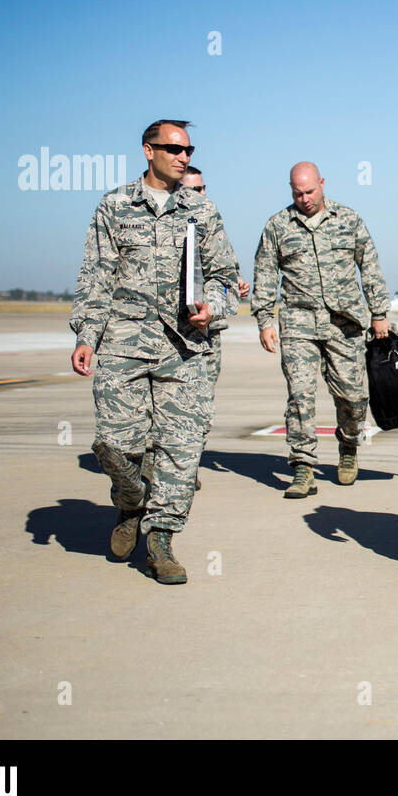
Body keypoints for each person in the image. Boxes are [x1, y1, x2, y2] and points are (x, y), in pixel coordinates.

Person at [70, 120, 239, 584]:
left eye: (188, 150)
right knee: (113, 443)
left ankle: (160, 540)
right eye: (174, 149)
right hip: (123, 344)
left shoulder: (201, 211)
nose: (183, 157)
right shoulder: (114, 206)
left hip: (185, 349)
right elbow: (96, 276)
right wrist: (87, 335)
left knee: (181, 450)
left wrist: (215, 306)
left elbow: (227, 277)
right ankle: (129, 500)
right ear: (148, 151)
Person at [252, 161, 391, 497]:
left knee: (353, 397)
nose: (305, 198)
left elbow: (369, 265)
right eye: (298, 193)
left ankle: (348, 447)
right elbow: (266, 272)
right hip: (298, 322)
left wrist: (379, 312)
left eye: (310, 191)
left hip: (345, 322)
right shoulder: (278, 226)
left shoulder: (349, 219)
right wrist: (264, 320)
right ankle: (303, 467)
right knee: (300, 396)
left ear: (322, 184)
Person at [179, 166, 249, 488]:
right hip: (168, 336)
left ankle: (186, 467)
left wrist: (235, 287)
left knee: (201, 407)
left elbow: (227, 275)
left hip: (207, 335)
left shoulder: (211, 224)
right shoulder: (162, 227)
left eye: (204, 188)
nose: (202, 195)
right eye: (194, 190)